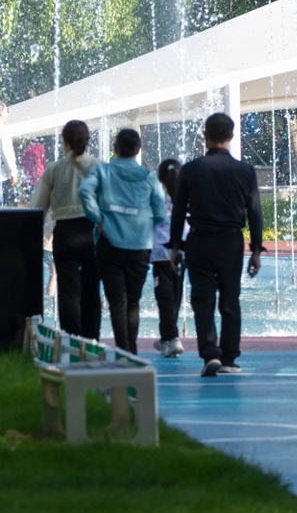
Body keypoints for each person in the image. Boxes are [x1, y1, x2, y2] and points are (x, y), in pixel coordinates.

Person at [169, 112, 264, 377]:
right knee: (230, 300)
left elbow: (178, 211)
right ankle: (230, 358)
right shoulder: (244, 170)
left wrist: (176, 246)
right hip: (231, 241)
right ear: (232, 137)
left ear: (205, 135)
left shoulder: (191, 169)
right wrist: (255, 250)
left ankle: (209, 353)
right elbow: (255, 212)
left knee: (203, 299)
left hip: (199, 240)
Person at [78, 128, 168, 355]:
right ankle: (132, 349)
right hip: (140, 245)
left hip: (109, 244)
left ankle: (123, 350)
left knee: (117, 301)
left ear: (115, 149)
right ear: (138, 150)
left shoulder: (103, 172)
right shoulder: (149, 177)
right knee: (133, 302)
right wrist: (143, 222)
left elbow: (84, 191)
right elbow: (160, 212)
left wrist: (98, 218)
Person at [34, 119, 101, 340]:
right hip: (92, 233)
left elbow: (38, 207)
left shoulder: (55, 169)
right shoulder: (100, 167)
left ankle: (72, 339)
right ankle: (92, 339)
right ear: (88, 141)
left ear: (64, 143)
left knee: (68, 291)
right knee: (92, 289)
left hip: (64, 234)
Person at [151, 159, 185, 356]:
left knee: (164, 297)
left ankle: (172, 337)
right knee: (175, 296)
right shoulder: (186, 196)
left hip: (160, 253)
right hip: (181, 251)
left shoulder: (157, 197)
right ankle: (167, 338)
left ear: (160, 177)